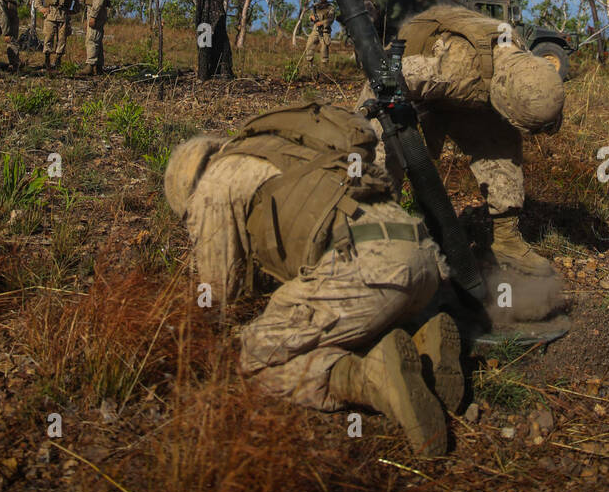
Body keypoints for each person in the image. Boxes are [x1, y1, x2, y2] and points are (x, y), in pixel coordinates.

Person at [164, 101, 464, 456]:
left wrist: (190, 321)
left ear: (188, 189)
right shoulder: (279, 149)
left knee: (255, 355)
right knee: (350, 315)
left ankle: (368, 377)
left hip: (369, 274)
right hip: (423, 261)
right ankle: (422, 341)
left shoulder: (214, 183)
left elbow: (219, 292)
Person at [357, 3, 567, 328]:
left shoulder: (523, 62)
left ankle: (506, 237)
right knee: (384, 153)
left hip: (472, 92)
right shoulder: (452, 68)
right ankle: (377, 237)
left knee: (501, 143)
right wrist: (362, 133)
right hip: (417, 80)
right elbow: (381, 77)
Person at [34, 0, 81, 72]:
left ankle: (58, 60)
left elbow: (79, 0)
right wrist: (41, 8)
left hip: (64, 17)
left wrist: (73, 11)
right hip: (50, 15)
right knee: (48, 38)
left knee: (62, 40)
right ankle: (47, 60)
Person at [82, 0, 111, 76]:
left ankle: (90, 65)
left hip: (96, 15)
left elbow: (98, 2)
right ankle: (98, 67)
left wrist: (93, 16)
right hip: (95, 14)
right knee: (96, 40)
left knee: (92, 39)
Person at [305, 0, 336, 67]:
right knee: (309, 45)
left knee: (324, 49)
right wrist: (311, 17)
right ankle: (309, 63)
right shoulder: (316, 6)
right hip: (315, 30)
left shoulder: (330, 8)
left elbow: (330, 19)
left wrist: (322, 23)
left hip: (325, 31)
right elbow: (311, 15)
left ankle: (324, 66)